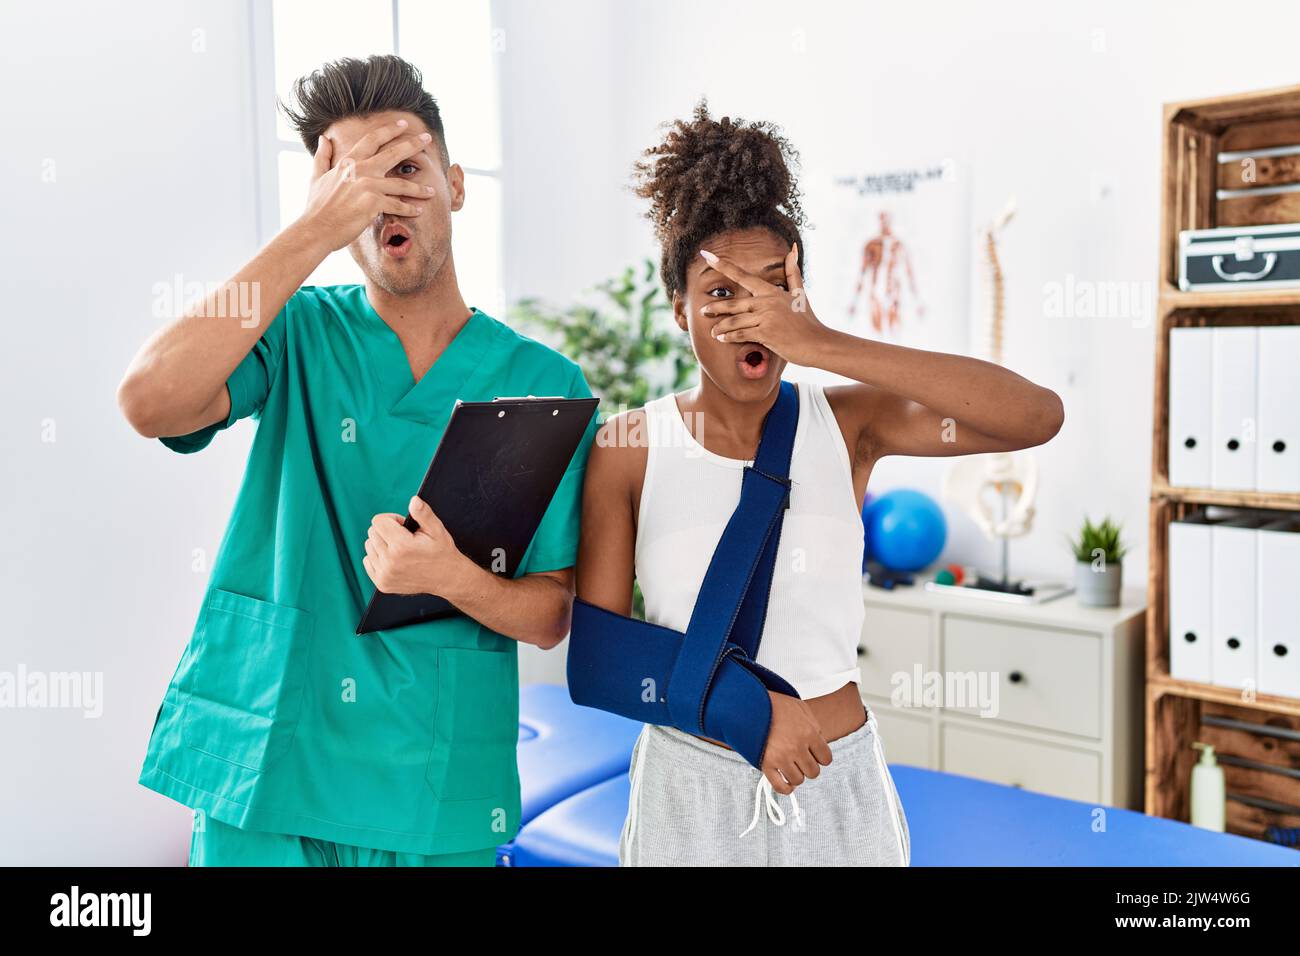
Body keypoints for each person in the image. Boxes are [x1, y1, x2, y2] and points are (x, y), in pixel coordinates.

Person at [118, 55, 596, 867]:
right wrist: (309, 233)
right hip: (274, 759)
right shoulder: (294, 331)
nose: (384, 202)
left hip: (434, 784)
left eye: (405, 170)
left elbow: (550, 614)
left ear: (457, 182)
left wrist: (449, 577)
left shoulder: (540, 383)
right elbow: (150, 400)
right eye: (353, 185)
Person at [575, 102, 1064, 866]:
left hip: (835, 788)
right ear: (679, 310)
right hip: (689, 792)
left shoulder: (849, 425)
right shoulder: (629, 446)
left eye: (773, 289)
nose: (750, 318)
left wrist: (823, 342)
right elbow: (600, 663)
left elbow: (1034, 416)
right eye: (721, 294)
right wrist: (748, 711)